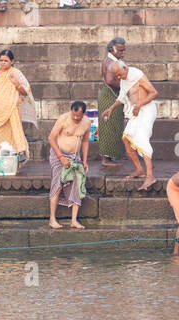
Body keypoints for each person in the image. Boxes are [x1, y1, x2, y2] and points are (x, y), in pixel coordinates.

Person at [115, 59, 159, 190]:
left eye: (119, 74)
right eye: (116, 76)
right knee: (126, 139)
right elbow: (122, 97)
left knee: (141, 139)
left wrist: (139, 105)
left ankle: (150, 176)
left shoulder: (137, 75)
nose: (118, 78)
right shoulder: (124, 79)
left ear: (125, 68)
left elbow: (154, 92)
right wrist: (111, 108)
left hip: (146, 110)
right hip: (136, 111)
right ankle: (139, 170)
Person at [47, 101, 90, 230]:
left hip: (75, 157)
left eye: (79, 116)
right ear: (71, 111)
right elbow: (51, 138)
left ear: (83, 114)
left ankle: (74, 220)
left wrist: (85, 161)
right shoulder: (63, 119)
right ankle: (52, 219)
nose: (76, 118)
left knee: (77, 185)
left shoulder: (87, 122)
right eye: (74, 115)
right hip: (59, 155)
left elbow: (85, 141)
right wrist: (61, 157)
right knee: (58, 184)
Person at [0, 49, 31, 165]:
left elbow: (25, 92)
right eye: (1, 60)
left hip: (12, 109)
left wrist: (17, 84)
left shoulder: (16, 73)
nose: (2, 63)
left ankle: (19, 154)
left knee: (14, 132)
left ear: (12, 61)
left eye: (5, 61)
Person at [97, 37, 130, 170]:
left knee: (114, 125)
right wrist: (125, 86)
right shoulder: (110, 62)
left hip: (113, 96)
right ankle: (106, 159)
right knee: (109, 127)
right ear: (112, 49)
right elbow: (110, 80)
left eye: (124, 50)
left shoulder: (114, 61)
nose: (123, 52)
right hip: (109, 96)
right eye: (120, 50)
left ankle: (110, 156)